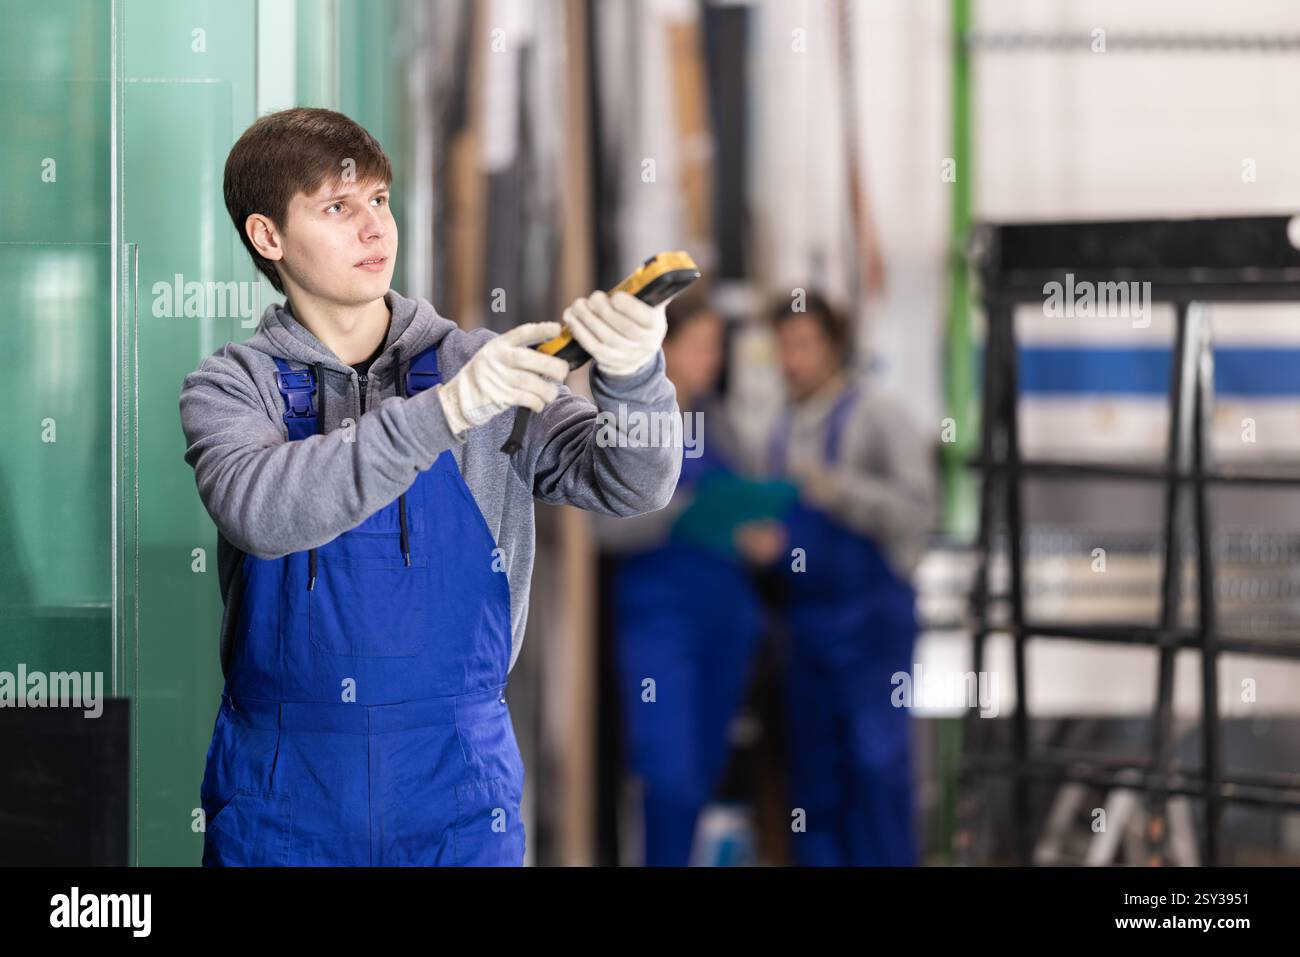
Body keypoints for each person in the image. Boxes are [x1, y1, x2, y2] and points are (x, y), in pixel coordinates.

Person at [178, 107, 681, 866]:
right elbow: (262, 510)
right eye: (337, 207)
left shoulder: (476, 364)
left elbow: (632, 484)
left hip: (456, 793)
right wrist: (447, 412)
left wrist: (634, 376)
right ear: (268, 237)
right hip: (283, 798)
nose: (375, 228)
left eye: (380, 200)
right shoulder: (232, 386)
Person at [593, 287, 769, 866]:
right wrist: (683, 511)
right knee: (667, 769)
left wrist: (754, 530)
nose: (711, 361)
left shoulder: (723, 424)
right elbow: (603, 528)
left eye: (717, 348)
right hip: (661, 619)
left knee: (704, 769)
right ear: (662, 346)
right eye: (699, 346)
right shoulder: (629, 422)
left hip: (725, 617)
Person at [761, 292, 936, 866]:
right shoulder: (778, 431)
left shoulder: (878, 416)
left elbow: (918, 510)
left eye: (803, 345)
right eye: (783, 347)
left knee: (877, 771)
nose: (791, 360)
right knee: (816, 782)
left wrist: (839, 491)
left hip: (873, 627)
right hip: (807, 630)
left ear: (834, 346)